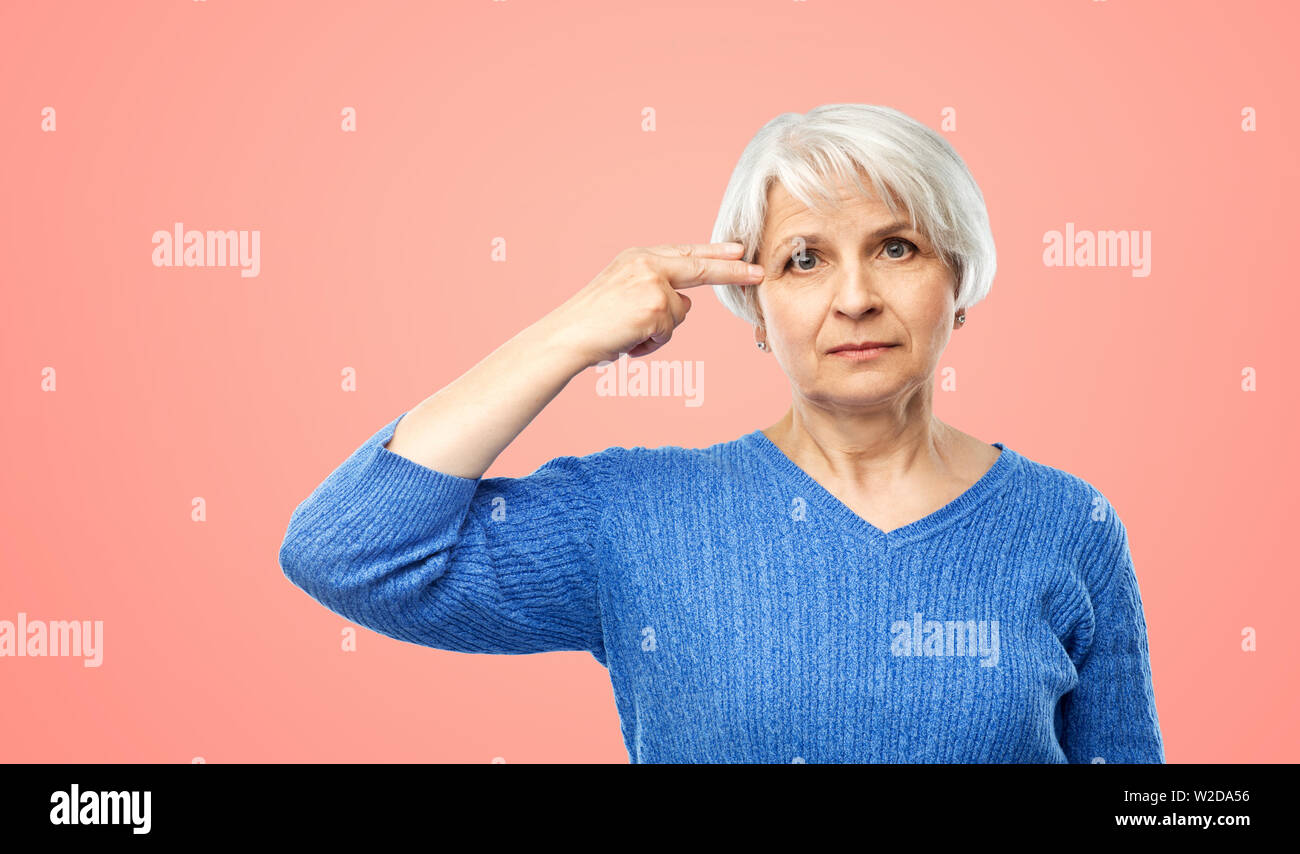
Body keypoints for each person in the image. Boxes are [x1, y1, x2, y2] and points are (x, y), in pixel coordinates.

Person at [279, 103, 1165, 763]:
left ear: (958, 283)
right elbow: (348, 552)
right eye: (803, 260)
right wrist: (571, 331)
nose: (853, 297)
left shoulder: (1066, 522)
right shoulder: (636, 515)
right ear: (753, 305)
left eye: (896, 247)